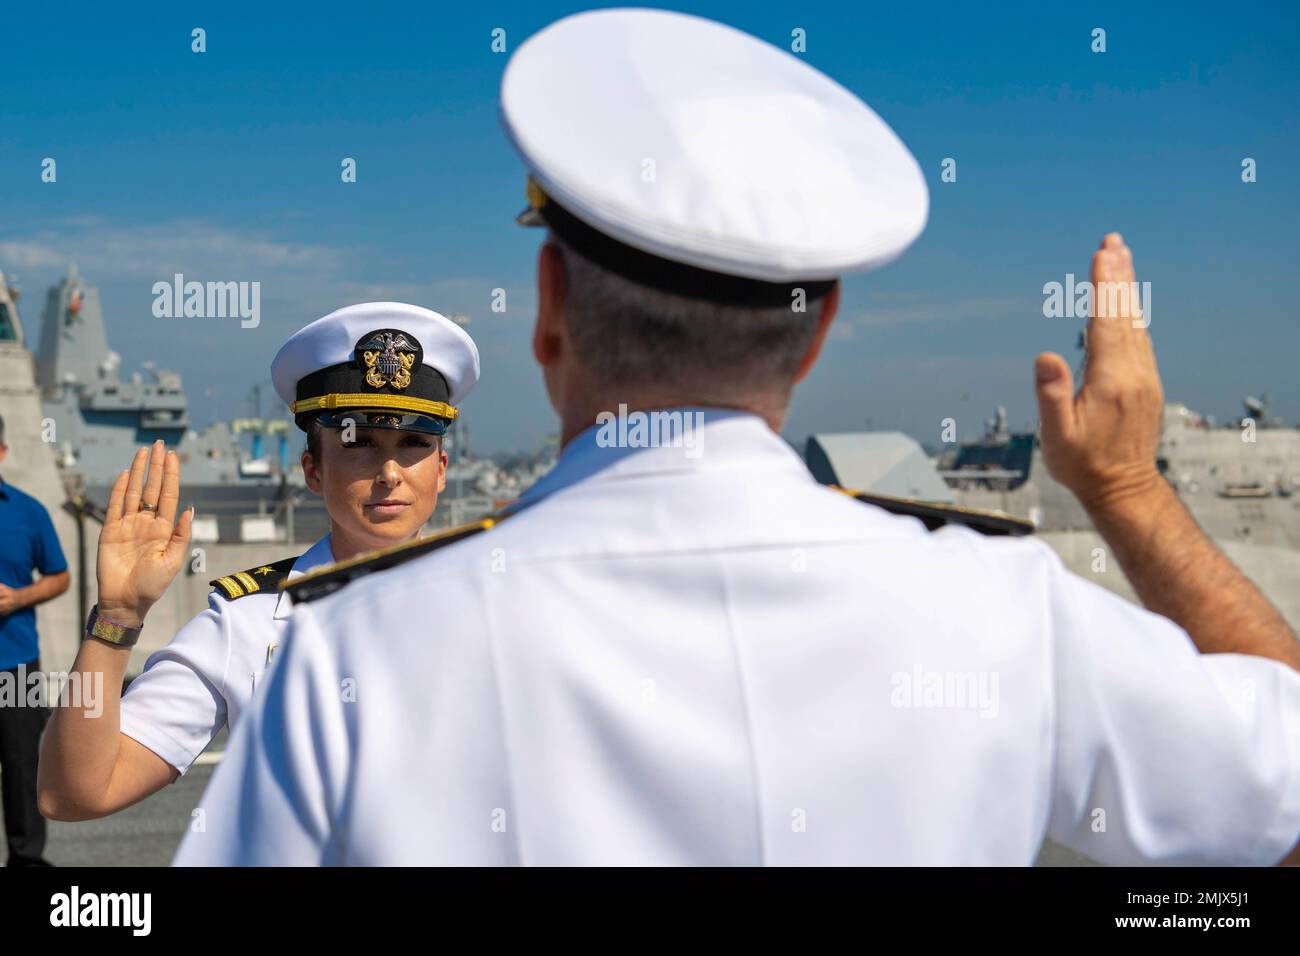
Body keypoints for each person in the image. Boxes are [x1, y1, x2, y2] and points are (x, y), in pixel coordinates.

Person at [175, 9, 1300, 866]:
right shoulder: (1004, 615)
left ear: (550, 306)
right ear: (817, 337)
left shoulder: (348, 656)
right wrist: (1125, 485)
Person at [37, 302, 478, 820]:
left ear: (442, 467)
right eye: (359, 445)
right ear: (313, 471)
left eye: (413, 444)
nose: (389, 471)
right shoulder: (243, 625)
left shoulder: (505, 601)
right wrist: (116, 619)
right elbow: (73, 794)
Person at [0, 413, 71, 865]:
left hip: (17, 662)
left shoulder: (29, 511)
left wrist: (18, 597)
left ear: (2, 452)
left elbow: (60, 576)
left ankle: (26, 860)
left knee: (24, 767)